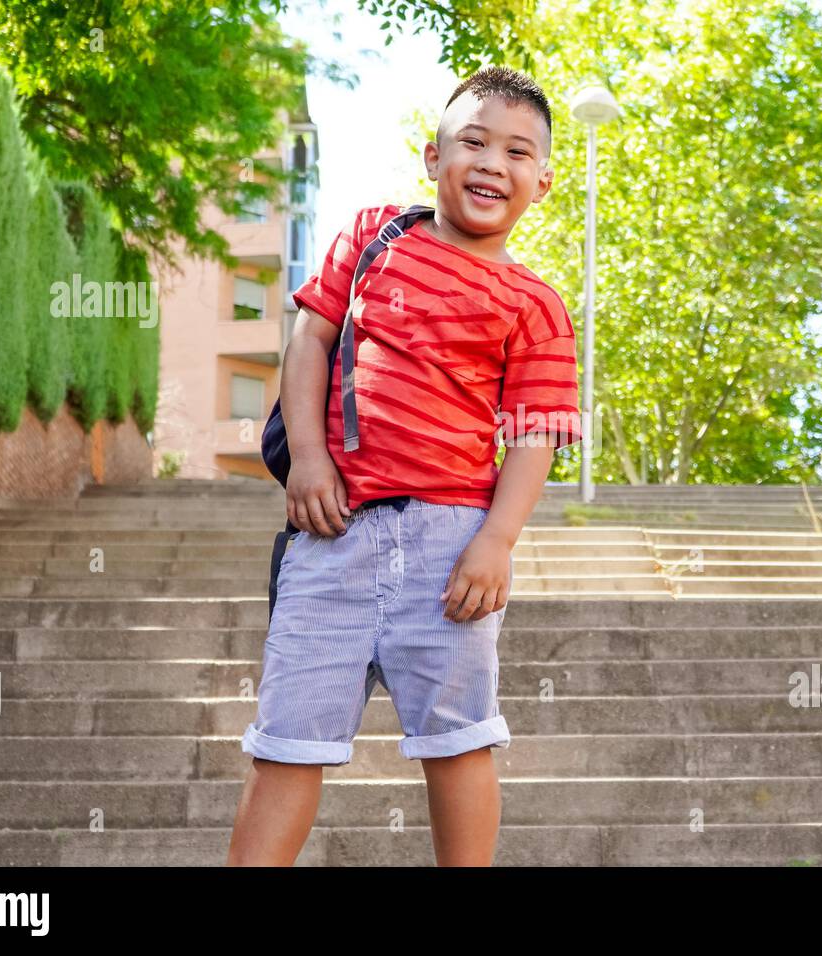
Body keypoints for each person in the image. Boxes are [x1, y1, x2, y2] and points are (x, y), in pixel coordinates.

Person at [227, 65, 583, 866]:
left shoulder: (536, 305)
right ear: (432, 156)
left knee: (460, 741)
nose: (493, 162)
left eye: (518, 151)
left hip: (451, 547)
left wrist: (497, 543)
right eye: (474, 141)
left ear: (544, 181)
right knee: (286, 742)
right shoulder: (373, 234)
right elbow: (311, 339)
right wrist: (309, 460)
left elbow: (534, 434)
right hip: (331, 533)